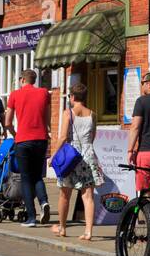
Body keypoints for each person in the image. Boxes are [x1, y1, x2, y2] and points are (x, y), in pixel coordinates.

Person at [52, 84, 105, 241]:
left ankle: (62, 227)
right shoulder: (93, 114)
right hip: (88, 154)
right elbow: (93, 136)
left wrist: (53, 155)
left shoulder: (68, 113)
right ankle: (88, 232)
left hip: (71, 155)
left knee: (64, 193)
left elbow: (62, 137)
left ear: (72, 97)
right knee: (88, 196)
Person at [6, 70, 52, 226]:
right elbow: (47, 118)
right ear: (34, 80)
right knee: (37, 175)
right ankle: (44, 202)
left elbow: (7, 122)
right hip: (41, 138)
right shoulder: (44, 93)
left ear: (22, 79)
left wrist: (15, 133)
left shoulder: (15, 94)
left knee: (26, 178)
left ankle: (31, 217)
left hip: (23, 140)